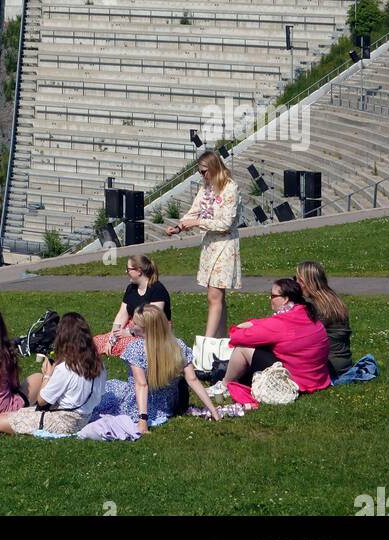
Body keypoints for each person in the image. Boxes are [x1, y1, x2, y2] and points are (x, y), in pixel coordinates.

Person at [89, 307, 221, 431]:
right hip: (168, 405)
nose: (131, 327)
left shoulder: (136, 349)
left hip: (138, 405)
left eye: (135, 324)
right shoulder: (178, 346)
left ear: (147, 329)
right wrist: (213, 411)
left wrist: (143, 421)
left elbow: (141, 385)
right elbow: (192, 380)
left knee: (100, 397)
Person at [166, 149, 241, 336]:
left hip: (224, 245)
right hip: (209, 245)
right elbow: (195, 210)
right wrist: (180, 226)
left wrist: (198, 222)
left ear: (215, 168)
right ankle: (221, 339)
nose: (202, 175)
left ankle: (207, 343)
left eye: (204, 171)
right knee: (218, 298)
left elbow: (225, 223)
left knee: (214, 296)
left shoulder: (230, 188)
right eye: (200, 172)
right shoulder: (206, 187)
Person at [222, 277, 331, 404]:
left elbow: (237, 337)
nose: (270, 299)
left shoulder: (281, 324)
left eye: (273, 296)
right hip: (317, 379)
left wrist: (239, 327)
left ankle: (225, 384)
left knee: (243, 347)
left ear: (285, 299)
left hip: (295, 382)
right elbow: (266, 324)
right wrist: (253, 323)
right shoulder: (308, 314)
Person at [94, 254, 171, 358]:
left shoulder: (157, 290)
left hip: (152, 332)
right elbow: (122, 315)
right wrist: (112, 338)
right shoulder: (131, 289)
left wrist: (130, 332)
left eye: (128, 269)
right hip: (133, 327)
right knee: (93, 343)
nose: (126, 272)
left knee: (128, 346)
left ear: (139, 271)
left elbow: (152, 321)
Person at [295, 260, 353, 377]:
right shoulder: (334, 300)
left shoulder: (312, 306)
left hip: (328, 366)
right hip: (345, 362)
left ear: (303, 282)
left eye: (296, 279)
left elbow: (298, 337)